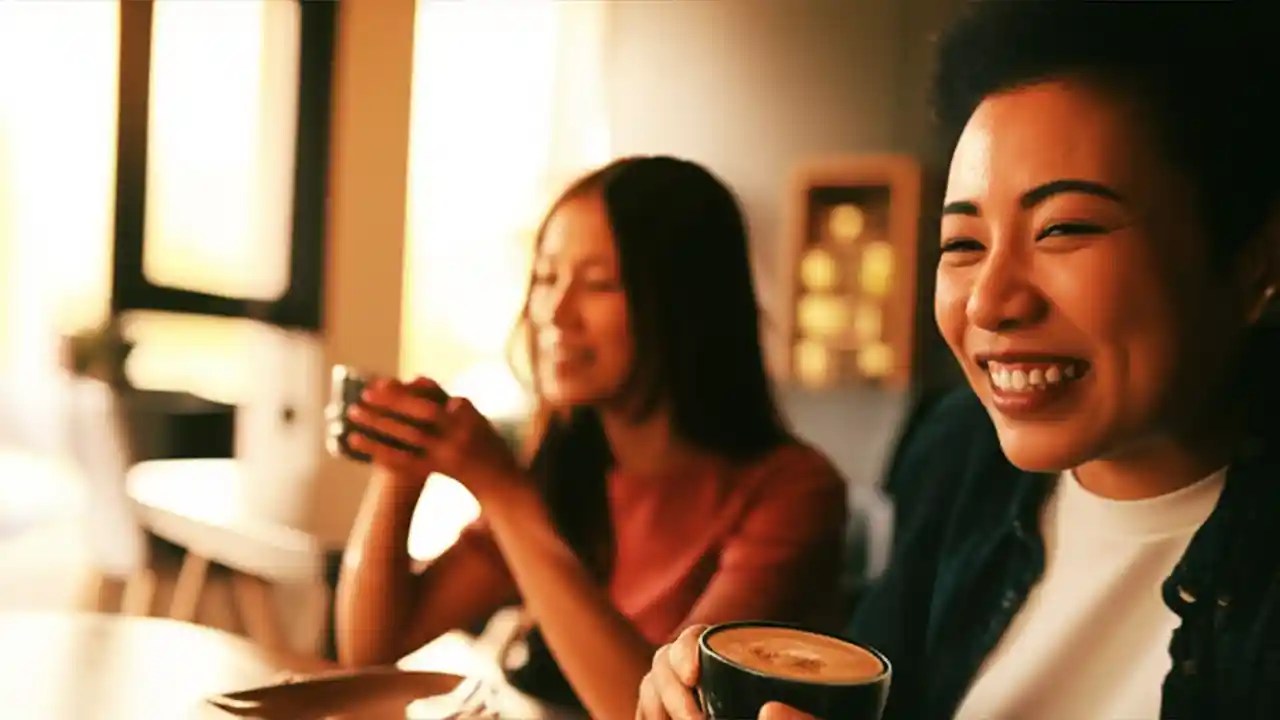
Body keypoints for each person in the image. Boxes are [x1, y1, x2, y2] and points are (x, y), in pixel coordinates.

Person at [637, 2, 1280, 719]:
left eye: (1064, 228)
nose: (988, 303)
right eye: (963, 244)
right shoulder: (958, 461)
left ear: (1256, 263)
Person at [334, 156, 849, 720]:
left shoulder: (793, 492)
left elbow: (661, 715)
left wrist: (503, 493)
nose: (556, 311)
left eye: (601, 283)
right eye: (548, 277)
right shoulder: (571, 472)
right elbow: (371, 649)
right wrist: (402, 466)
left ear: (686, 304)